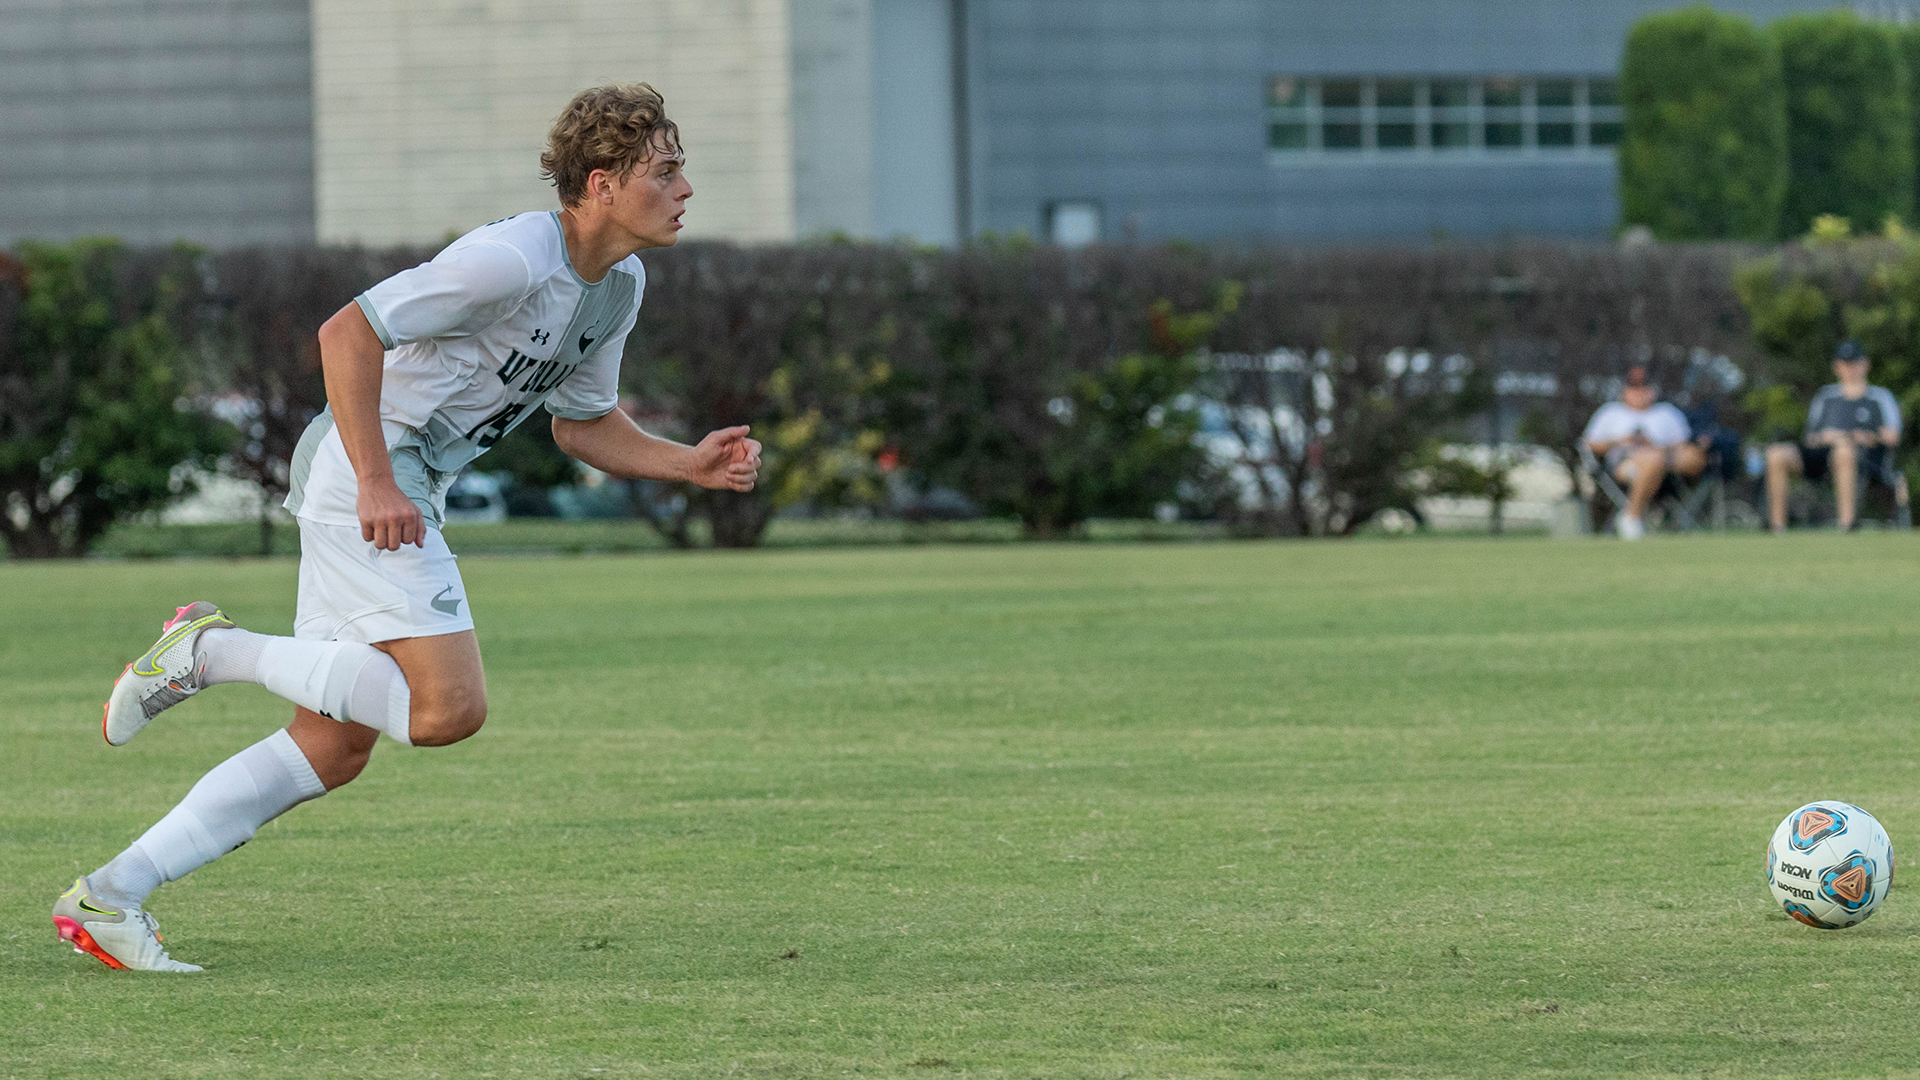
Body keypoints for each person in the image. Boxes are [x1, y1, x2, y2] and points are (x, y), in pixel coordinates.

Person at [51, 84, 761, 972]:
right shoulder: (512, 258)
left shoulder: (620, 286)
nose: (686, 187)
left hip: (392, 477)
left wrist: (687, 462)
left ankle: (109, 896)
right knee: (447, 708)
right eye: (666, 169)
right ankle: (210, 653)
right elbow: (346, 333)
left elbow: (581, 424)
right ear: (602, 183)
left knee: (335, 745)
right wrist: (381, 481)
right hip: (370, 469)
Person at [1765, 341, 1903, 532]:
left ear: (1865, 364)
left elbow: (1893, 436)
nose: (1850, 369)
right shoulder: (1825, 396)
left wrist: (1860, 437)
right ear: (1837, 366)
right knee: (1776, 453)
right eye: (1845, 364)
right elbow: (1811, 437)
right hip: (1823, 456)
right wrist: (1829, 438)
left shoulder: (1880, 397)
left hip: (1865, 460)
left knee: (1844, 452)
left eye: (1854, 363)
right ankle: (1777, 526)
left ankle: (1846, 524)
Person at [1581, 366, 1705, 540]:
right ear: (1625, 391)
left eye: (1644, 388)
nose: (1639, 393)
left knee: (1692, 454)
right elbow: (1590, 444)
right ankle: (1631, 517)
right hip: (1624, 463)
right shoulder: (1610, 412)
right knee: (1652, 460)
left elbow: (1682, 444)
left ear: (1652, 391)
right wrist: (1622, 441)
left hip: (1666, 462)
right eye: (1634, 388)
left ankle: (1639, 511)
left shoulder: (1666, 412)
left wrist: (1654, 445)